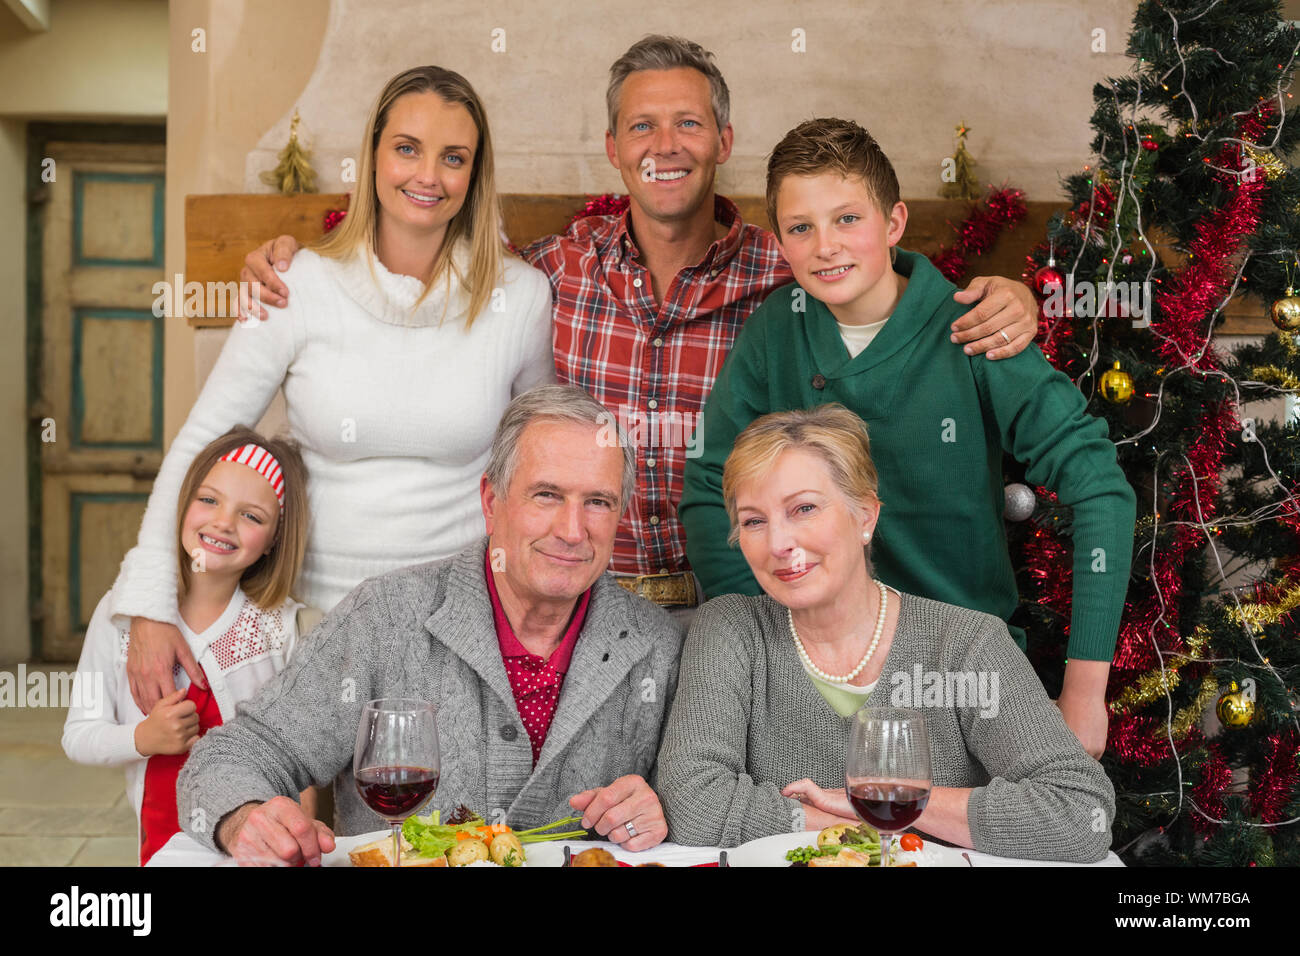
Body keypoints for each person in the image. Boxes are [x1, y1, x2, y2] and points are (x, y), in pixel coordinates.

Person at [237, 35, 1040, 617]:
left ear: (723, 141)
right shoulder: (549, 273)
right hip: (584, 605)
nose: (666, 146)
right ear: (613, 148)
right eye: (642, 127)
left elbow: (885, 284)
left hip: (740, 602)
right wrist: (297, 265)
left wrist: (1005, 297)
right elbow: (428, 269)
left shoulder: (789, 274)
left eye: (689, 124)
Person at [678, 118, 1137, 758]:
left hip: (958, 679)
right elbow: (708, 483)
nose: (825, 246)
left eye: (847, 219)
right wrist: (767, 621)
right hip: (814, 672)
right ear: (779, 240)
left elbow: (1098, 486)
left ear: (893, 223)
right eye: (800, 227)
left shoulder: (975, 329)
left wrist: (1085, 690)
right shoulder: (775, 333)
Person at [116, 66, 556, 717]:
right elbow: (201, 444)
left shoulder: (519, 298)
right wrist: (150, 604)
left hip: (461, 625)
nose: (427, 176)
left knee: (440, 820)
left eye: (453, 157)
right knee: (300, 817)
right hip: (309, 626)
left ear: (475, 173)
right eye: (406, 147)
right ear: (372, 156)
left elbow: (538, 468)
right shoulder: (299, 286)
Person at [178, 386, 684, 865]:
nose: (572, 531)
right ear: (491, 502)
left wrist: (659, 810)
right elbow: (234, 754)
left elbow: (698, 809)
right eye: (547, 495)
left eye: (597, 501)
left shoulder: (657, 645)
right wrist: (245, 818)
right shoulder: (385, 617)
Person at [656, 406, 1115, 862]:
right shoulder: (730, 630)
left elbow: (1080, 811)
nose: (778, 544)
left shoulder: (967, 645)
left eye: (804, 508)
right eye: (754, 521)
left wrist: (897, 803)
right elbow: (692, 802)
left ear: (865, 517)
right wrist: (859, 823)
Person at [63, 427, 316, 865]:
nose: (223, 522)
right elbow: (78, 736)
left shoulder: (280, 628)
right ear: (179, 504)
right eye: (209, 499)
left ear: (275, 539)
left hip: (257, 851)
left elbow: (303, 759)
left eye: (251, 516)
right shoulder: (117, 615)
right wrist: (143, 737)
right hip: (161, 851)